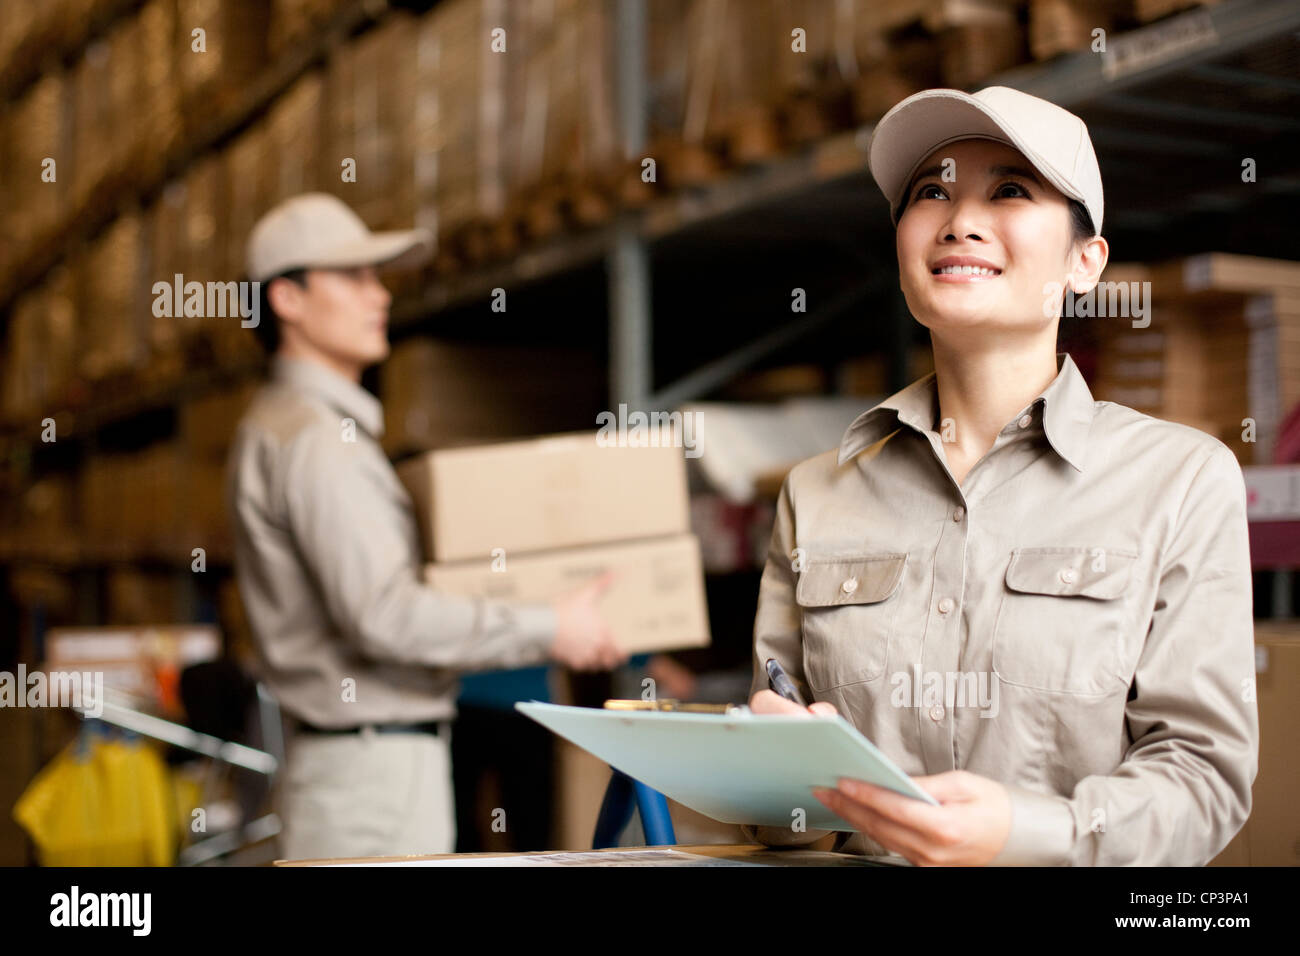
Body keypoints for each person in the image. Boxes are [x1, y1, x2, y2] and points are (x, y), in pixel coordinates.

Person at [746, 87, 1258, 866]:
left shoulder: (1180, 481)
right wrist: (780, 778)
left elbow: (1204, 782)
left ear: (1086, 263)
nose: (959, 220)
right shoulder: (818, 493)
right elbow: (781, 820)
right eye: (931, 192)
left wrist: (1023, 834)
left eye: (1010, 189)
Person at [227, 193, 625, 861]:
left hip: (355, 769)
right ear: (287, 300)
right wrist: (551, 627)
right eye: (352, 277)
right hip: (370, 780)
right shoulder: (319, 441)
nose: (377, 295)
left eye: (376, 277)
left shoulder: (282, 424)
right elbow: (383, 616)